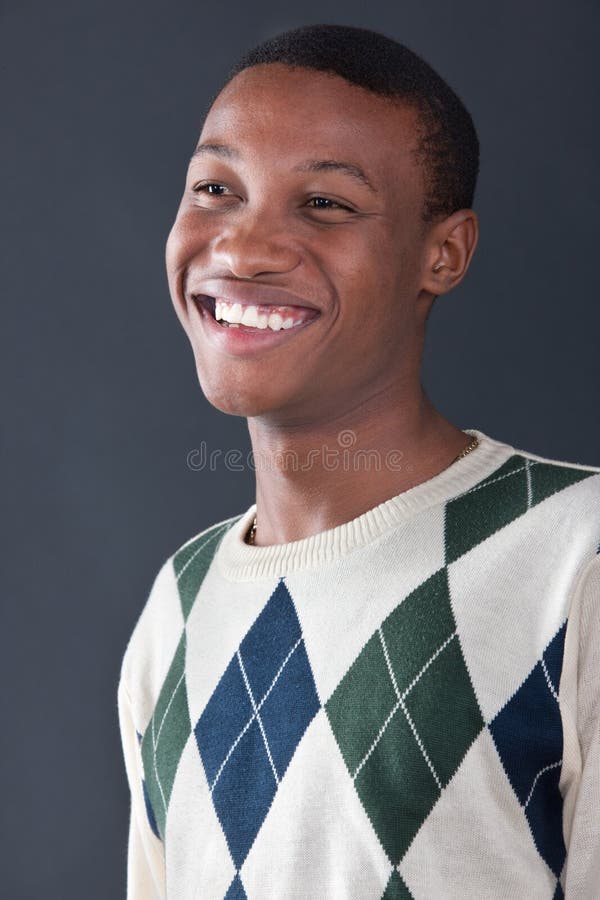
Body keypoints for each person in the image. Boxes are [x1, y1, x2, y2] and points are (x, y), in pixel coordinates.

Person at [117, 23, 600, 899]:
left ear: (442, 254)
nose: (244, 247)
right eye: (216, 187)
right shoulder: (178, 605)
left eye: (326, 204)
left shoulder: (576, 559)